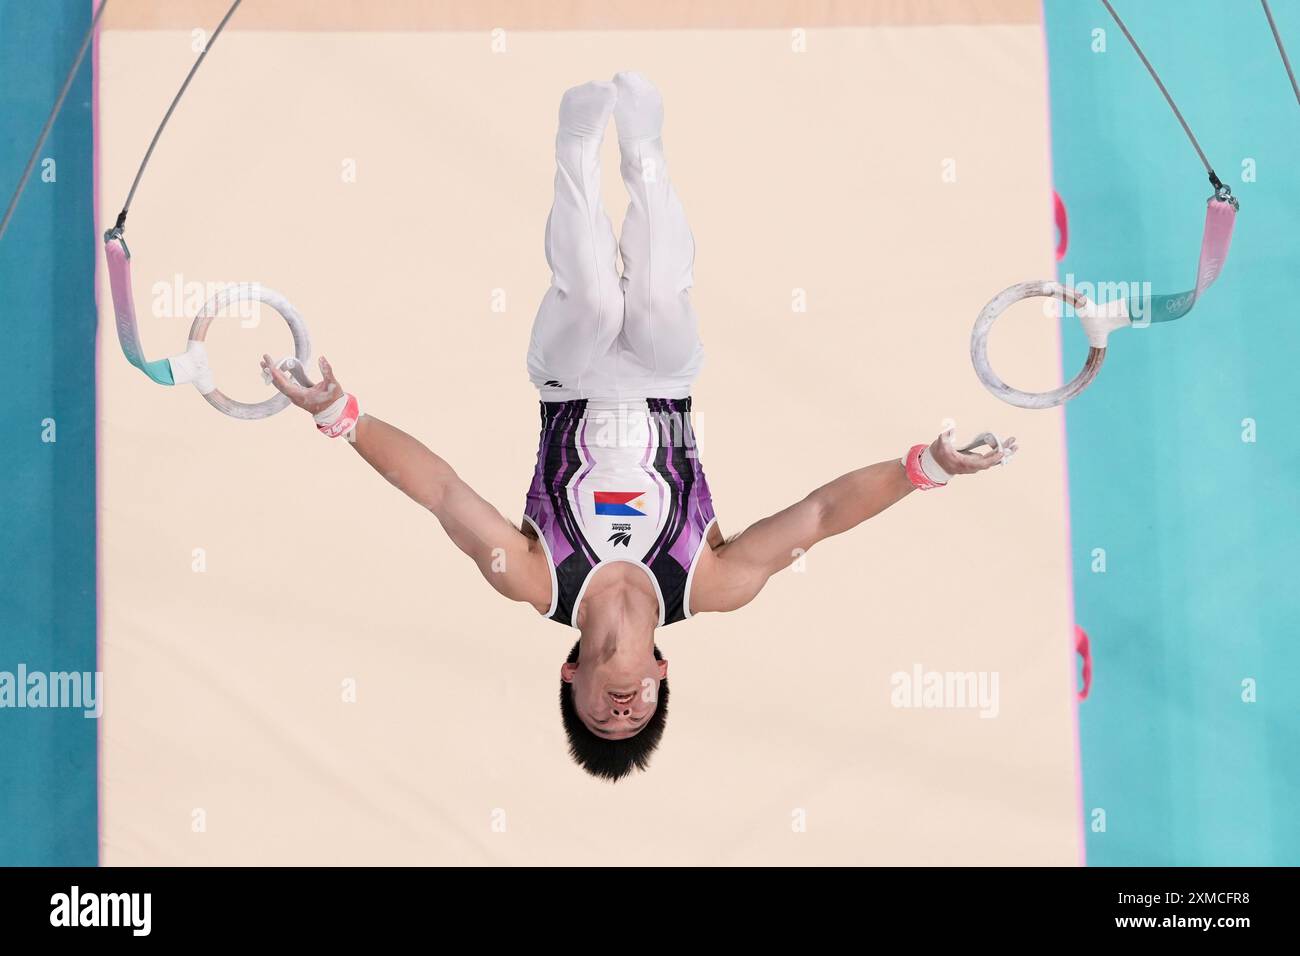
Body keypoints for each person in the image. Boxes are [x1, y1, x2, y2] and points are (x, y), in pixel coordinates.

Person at [262, 72, 1015, 782]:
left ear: (570, 676)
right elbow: (819, 516)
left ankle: (575, 147)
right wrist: (927, 469)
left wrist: (340, 415)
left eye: (599, 717)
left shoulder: (532, 578)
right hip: (664, 382)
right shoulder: (710, 583)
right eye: (637, 716)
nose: (620, 711)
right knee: (653, 301)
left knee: (593, 301)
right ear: (661, 676)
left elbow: (441, 492)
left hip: (567, 380)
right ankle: (644, 151)